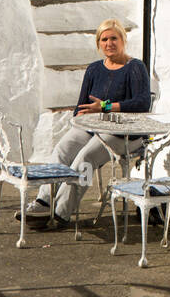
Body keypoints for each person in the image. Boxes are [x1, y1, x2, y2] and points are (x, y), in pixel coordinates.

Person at [18, 18, 151, 229]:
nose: (109, 43)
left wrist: (106, 107)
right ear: (99, 44)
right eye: (104, 39)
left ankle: (62, 211)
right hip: (91, 128)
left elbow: (143, 103)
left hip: (125, 134)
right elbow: (81, 106)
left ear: (123, 40)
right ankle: (44, 201)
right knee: (62, 150)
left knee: (85, 158)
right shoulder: (94, 69)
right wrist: (80, 120)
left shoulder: (135, 67)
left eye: (114, 38)